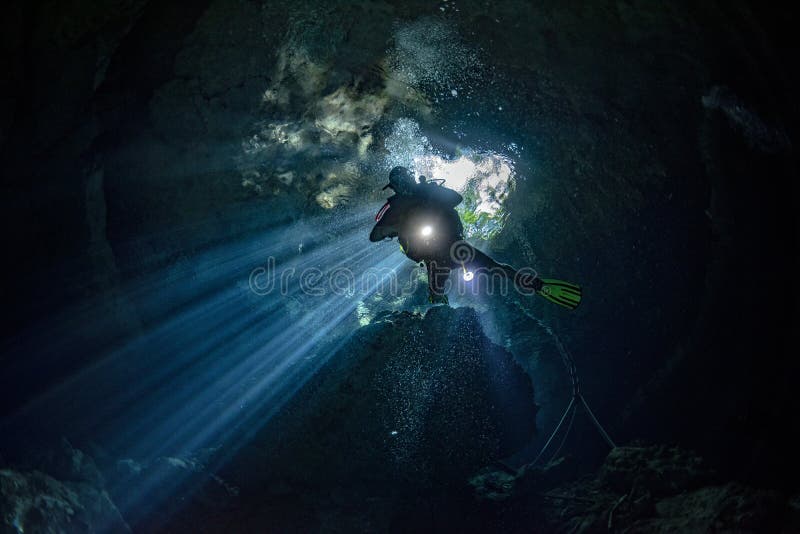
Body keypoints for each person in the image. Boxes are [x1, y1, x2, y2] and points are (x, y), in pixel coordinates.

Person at [369, 166, 582, 309]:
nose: (402, 185)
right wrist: (398, 226)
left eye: (403, 180)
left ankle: (538, 285)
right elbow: (375, 236)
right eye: (398, 183)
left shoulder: (428, 191)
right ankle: (439, 316)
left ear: (409, 178)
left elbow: (457, 198)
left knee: (495, 267)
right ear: (395, 187)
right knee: (437, 292)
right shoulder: (394, 207)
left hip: (453, 246)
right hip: (433, 259)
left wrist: (430, 193)